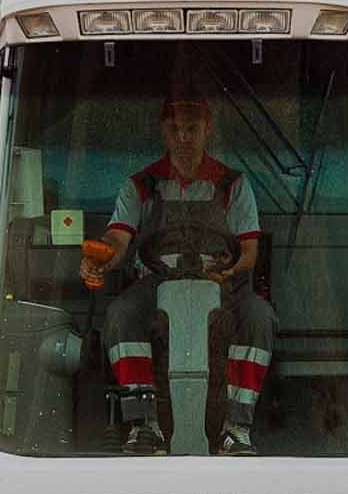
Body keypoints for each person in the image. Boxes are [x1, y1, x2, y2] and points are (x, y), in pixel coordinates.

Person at [80, 93, 271, 455]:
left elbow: (249, 252)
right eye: (174, 129)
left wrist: (230, 270)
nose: (183, 138)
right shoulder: (140, 185)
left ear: (207, 130)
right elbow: (118, 237)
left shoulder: (233, 184)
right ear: (162, 133)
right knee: (121, 314)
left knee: (259, 317)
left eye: (191, 129)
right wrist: (101, 257)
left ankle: (236, 428)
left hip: (220, 281)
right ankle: (144, 425)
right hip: (156, 283)